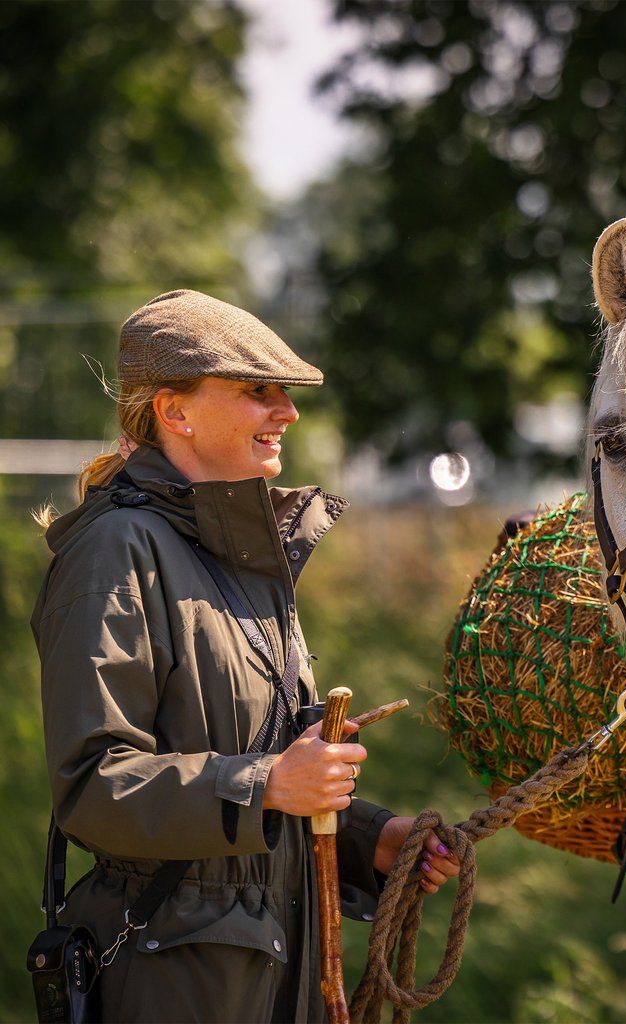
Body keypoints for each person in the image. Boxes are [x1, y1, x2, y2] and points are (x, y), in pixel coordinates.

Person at [30, 290, 459, 1023]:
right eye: (256, 391)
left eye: (282, 394)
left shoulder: (242, 557)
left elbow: (268, 773)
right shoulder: (114, 551)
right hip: (173, 985)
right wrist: (268, 784)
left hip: (276, 976)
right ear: (176, 411)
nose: (285, 412)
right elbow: (93, 788)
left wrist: (370, 841)